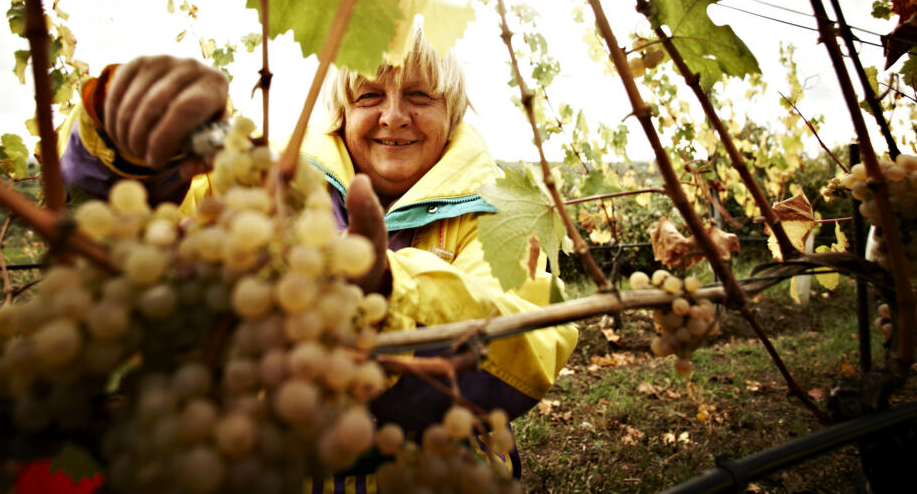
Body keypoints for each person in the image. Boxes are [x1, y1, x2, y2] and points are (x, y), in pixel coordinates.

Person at [59, 34, 578, 480]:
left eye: (419, 95)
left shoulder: (500, 214)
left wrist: (386, 289)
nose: (394, 116)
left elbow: (529, 348)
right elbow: (123, 225)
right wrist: (123, 140)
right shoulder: (268, 183)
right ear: (342, 112)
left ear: (453, 110)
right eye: (369, 95)